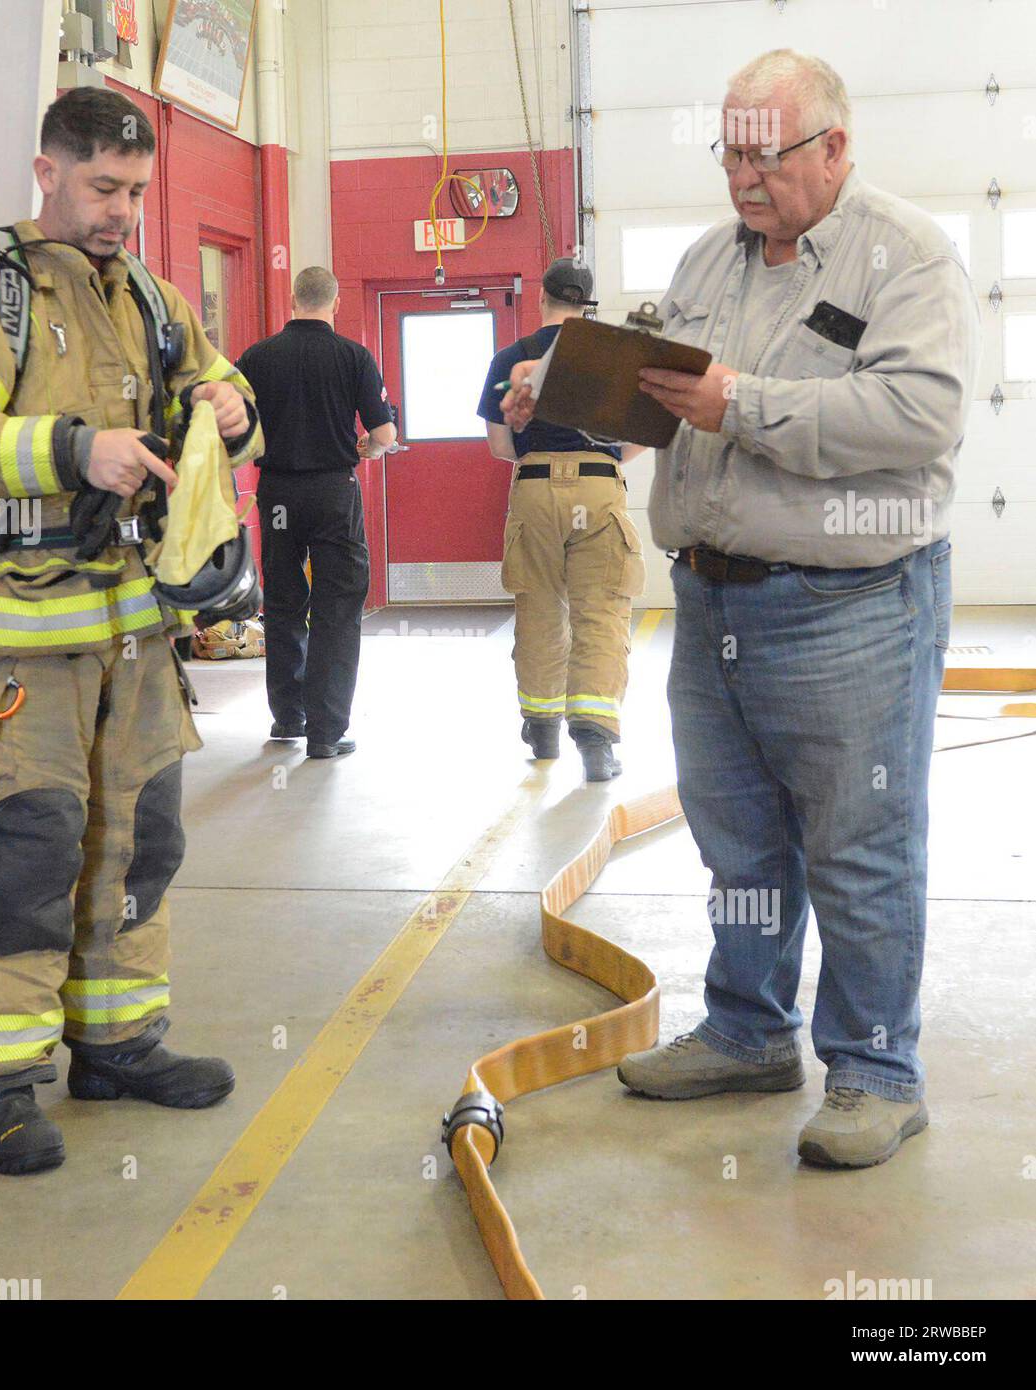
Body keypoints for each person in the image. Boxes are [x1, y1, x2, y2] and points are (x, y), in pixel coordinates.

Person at [503, 49, 979, 1168]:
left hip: (852, 602)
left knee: (860, 846)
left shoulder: (905, 258)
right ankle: (749, 1029)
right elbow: (671, 397)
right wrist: (575, 385)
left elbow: (919, 414)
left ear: (835, 147)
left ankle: (874, 1069)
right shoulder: (709, 261)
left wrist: (739, 401)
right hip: (712, 595)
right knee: (741, 842)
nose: (743, 178)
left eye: (765, 155)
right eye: (730, 152)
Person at [0, 86, 265, 1175]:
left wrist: (233, 408)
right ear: (46, 170)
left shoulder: (148, 293)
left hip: (135, 635)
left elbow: (214, 378)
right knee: (25, 848)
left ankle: (117, 1040)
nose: (122, 211)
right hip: (13, 645)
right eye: (103, 187)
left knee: (140, 839)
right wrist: (70, 450)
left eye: (137, 190)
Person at [479, 258, 645, 781]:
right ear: (586, 302)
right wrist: (604, 458)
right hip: (598, 487)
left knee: (539, 609)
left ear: (542, 296)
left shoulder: (511, 357)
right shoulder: (615, 355)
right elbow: (644, 434)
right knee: (600, 612)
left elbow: (500, 444)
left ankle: (543, 729)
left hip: (533, 489)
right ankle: (596, 746)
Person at [235, 267, 395, 759]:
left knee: (283, 601)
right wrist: (366, 447)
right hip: (332, 491)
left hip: (278, 491)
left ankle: (288, 717)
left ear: (292, 299)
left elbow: (236, 430)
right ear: (336, 302)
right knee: (337, 607)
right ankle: (325, 734)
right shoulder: (354, 357)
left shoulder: (256, 358)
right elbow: (383, 435)